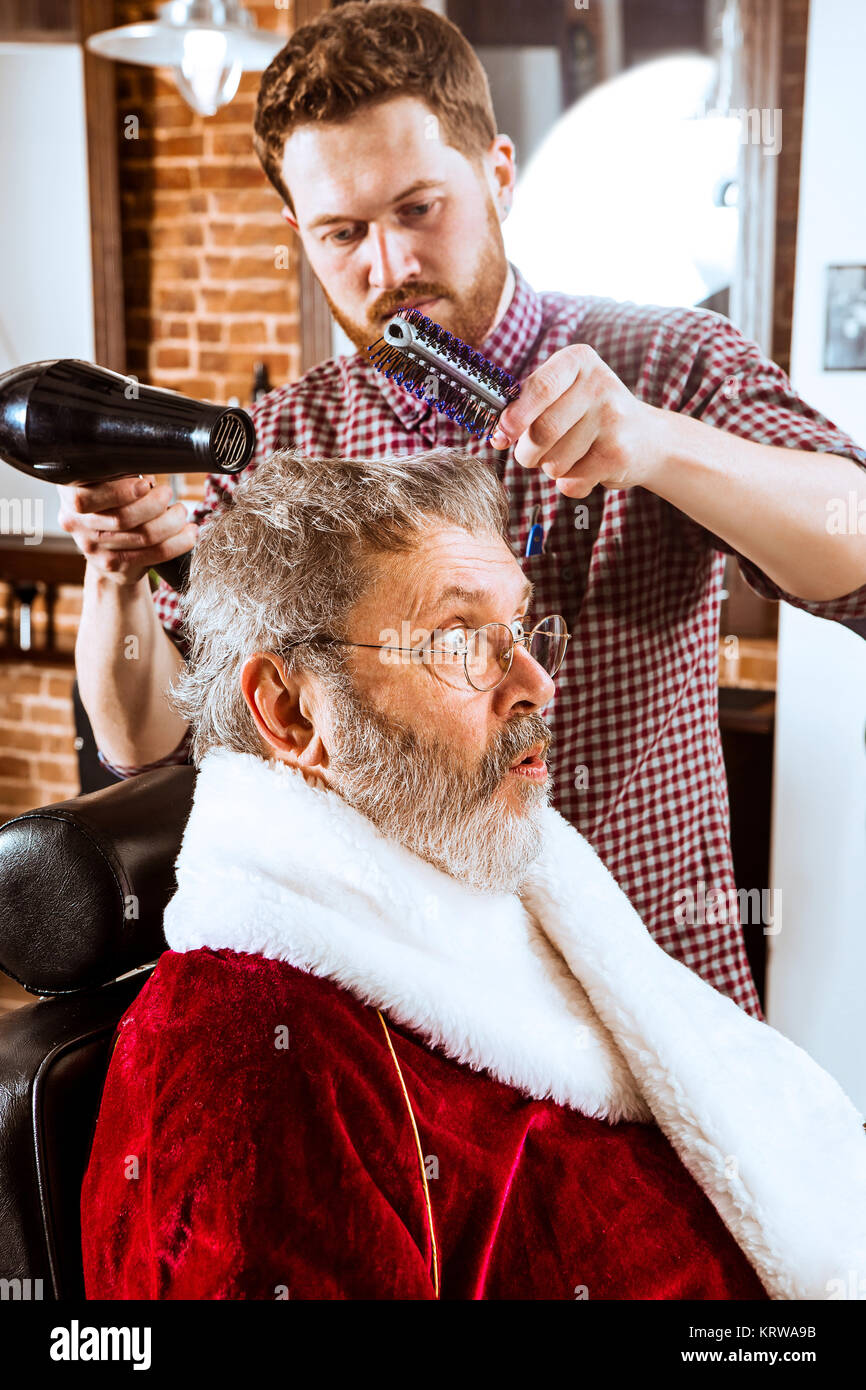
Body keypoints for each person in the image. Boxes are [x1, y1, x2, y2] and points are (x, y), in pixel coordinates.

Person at [61, 2, 866, 1021]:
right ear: (297, 234)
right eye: (342, 233)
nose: (386, 266)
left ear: (496, 171)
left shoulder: (671, 361)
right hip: (405, 1014)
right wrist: (118, 574)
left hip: (655, 993)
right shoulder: (275, 443)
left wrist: (659, 445)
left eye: (416, 209)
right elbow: (155, 740)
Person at [79, 448, 866, 1302]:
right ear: (293, 710)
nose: (535, 683)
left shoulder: (505, 891)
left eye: (521, 629)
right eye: (458, 639)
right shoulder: (248, 1060)